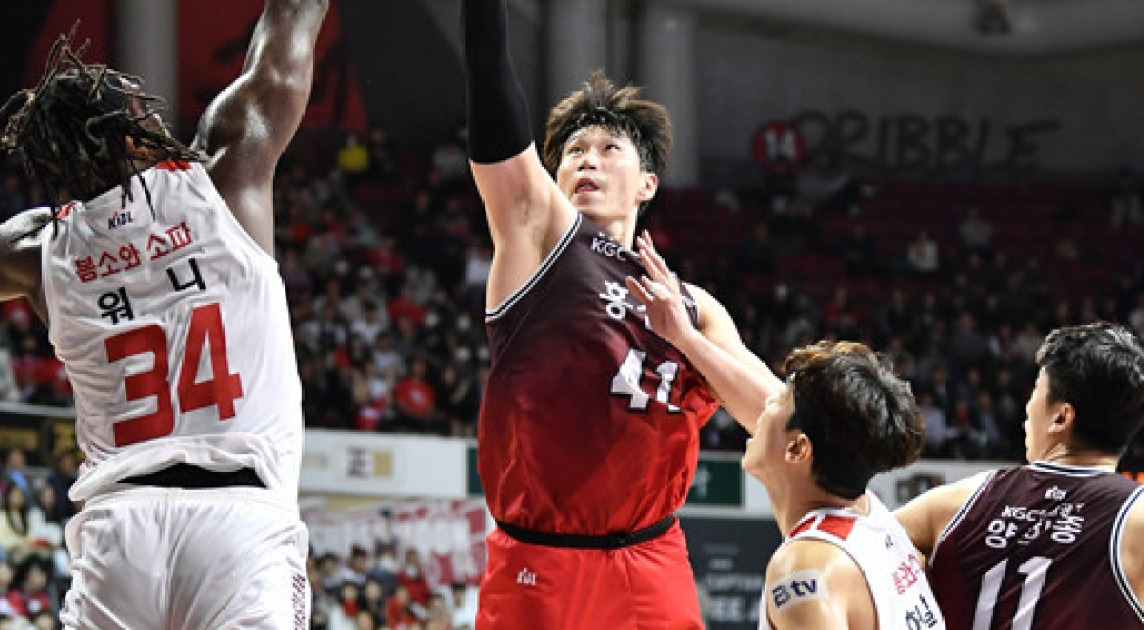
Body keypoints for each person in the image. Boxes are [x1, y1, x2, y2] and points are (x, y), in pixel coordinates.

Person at [0, 1, 328, 625]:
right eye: (141, 107)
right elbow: (293, 22)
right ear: (131, 136)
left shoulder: (41, 249)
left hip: (118, 532)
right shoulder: (222, 178)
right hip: (239, 521)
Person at [460, 0, 779, 627]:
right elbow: (490, 78)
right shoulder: (539, 238)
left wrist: (687, 339)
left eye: (610, 149)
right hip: (538, 560)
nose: (588, 159)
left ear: (647, 184)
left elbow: (773, 413)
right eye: (574, 151)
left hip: (650, 558)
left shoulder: (692, 303)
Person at [896, 322, 1144, 629]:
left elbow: (858, 547)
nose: (1027, 410)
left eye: (1036, 392)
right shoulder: (1137, 520)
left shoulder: (960, 501)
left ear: (1061, 417)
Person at [737, 341, 942, 629]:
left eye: (780, 399)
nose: (766, 402)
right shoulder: (870, 514)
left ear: (797, 449)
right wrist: (686, 337)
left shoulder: (805, 566)